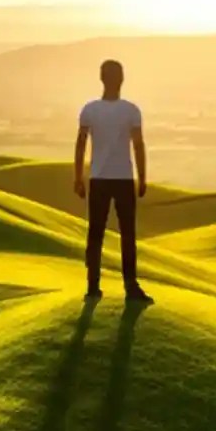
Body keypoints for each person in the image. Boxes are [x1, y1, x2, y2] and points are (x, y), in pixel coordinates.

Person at [74, 59, 153, 303]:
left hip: (98, 179)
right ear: (122, 79)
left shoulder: (90, 109)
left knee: (95, 234)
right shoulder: (131, 110)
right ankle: (130, 286)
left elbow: (80, 144)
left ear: (101, 78)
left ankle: (92, 286)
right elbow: (138, 145)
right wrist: (142, 177)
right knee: (127, 234)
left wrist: (78, 177)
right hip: (123, 179)